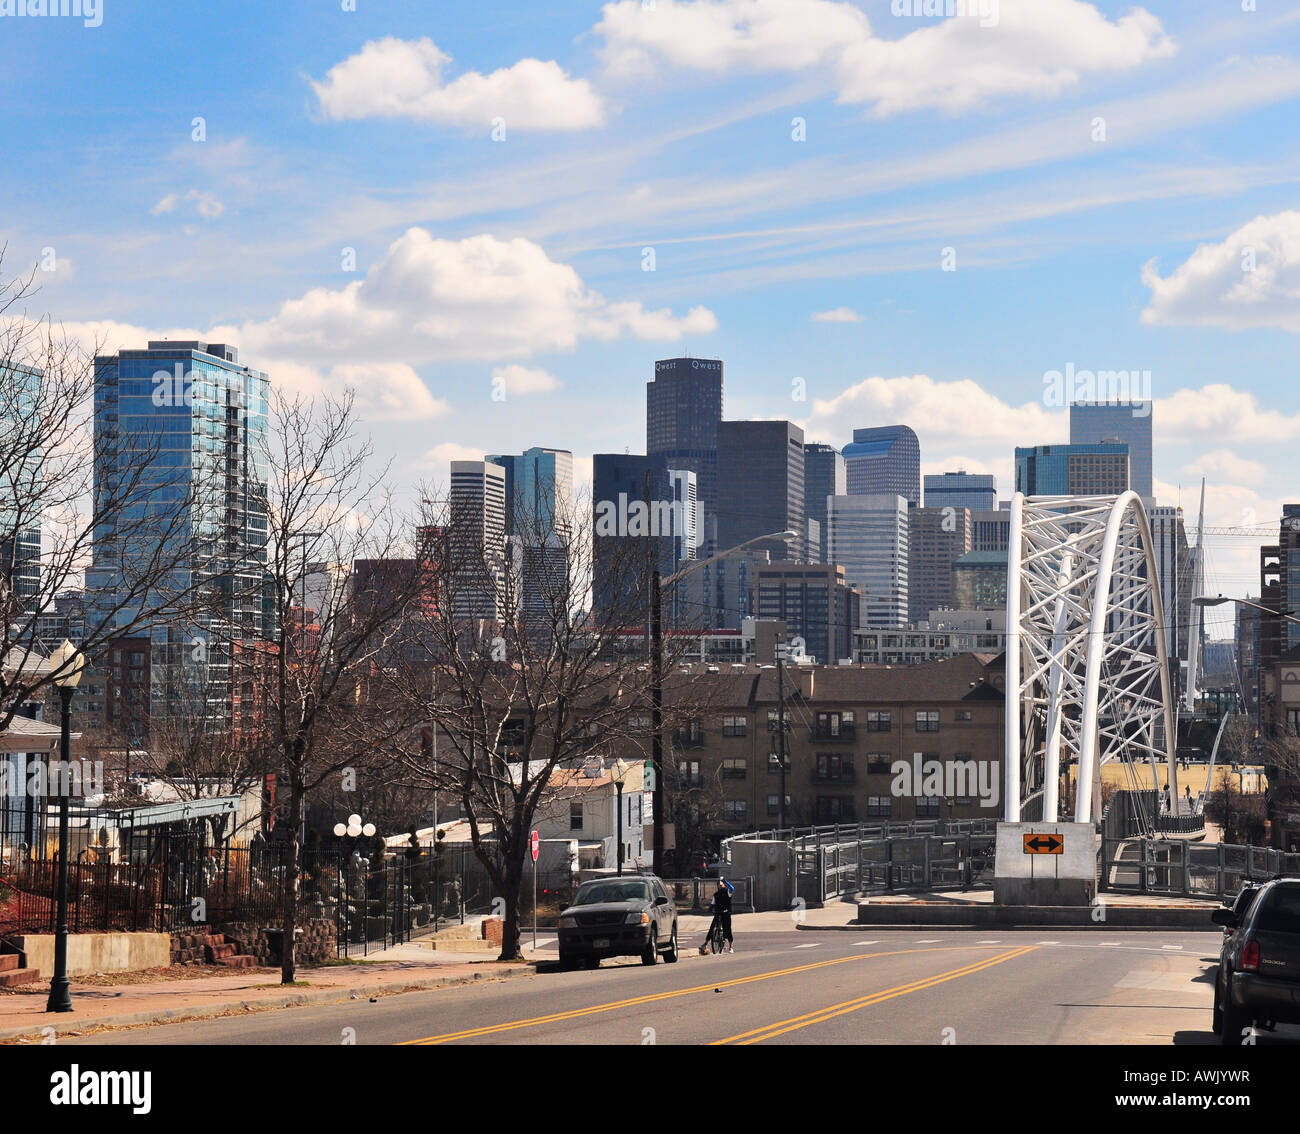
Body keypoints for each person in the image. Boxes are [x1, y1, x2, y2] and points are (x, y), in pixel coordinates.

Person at [699, 877, 735, 954]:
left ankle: (731, 947)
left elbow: (732, 888)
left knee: (728, 929)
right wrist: (709, 909)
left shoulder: (728, 892)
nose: (720, 886)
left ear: (724, 885)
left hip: (726, 912)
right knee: (712, 928)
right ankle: (705, 944)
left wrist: (725, 881)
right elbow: (712, 903)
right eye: (719, 885)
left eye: (721, 885)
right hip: (718, 912)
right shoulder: (716, 894)